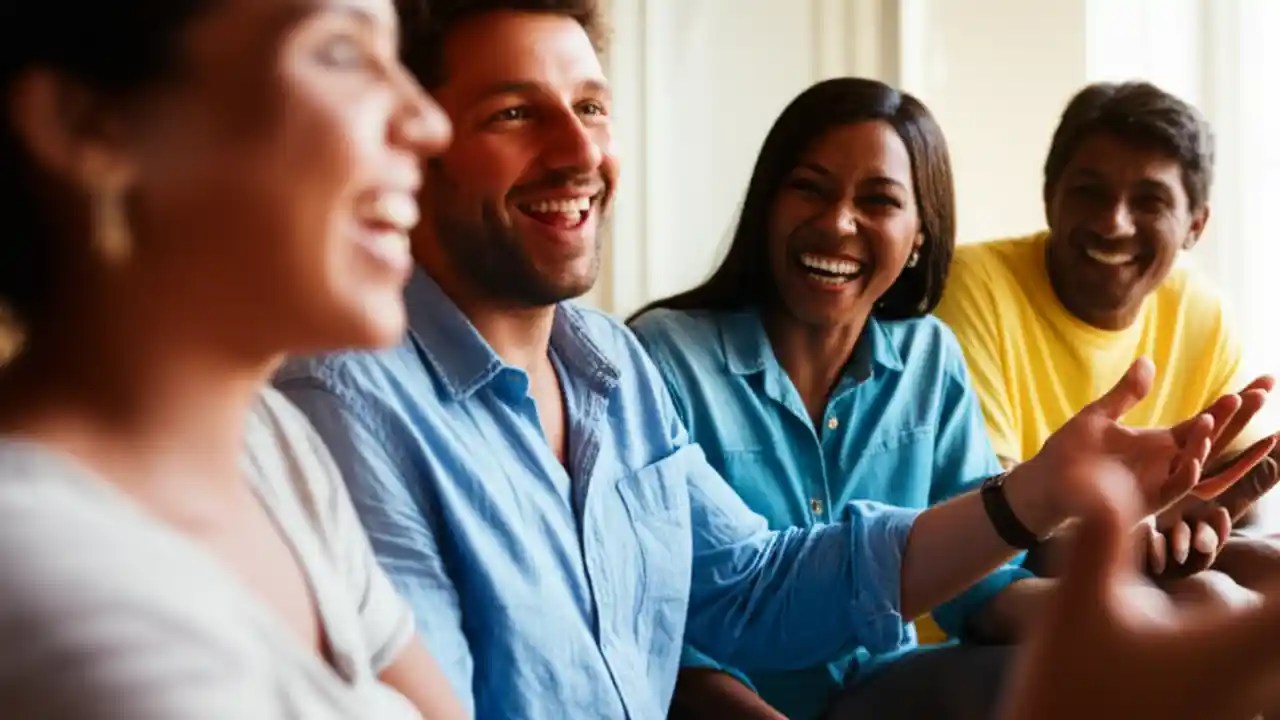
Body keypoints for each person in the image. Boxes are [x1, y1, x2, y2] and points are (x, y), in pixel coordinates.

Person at [276, 4, 1266, 718]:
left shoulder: (605, 364)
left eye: (591, 107)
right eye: (513, 113)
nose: (578, 151)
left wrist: (1034, 494)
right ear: (413, 140)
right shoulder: (347, 405)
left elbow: (753, 584)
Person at [0, 2, 465, 718]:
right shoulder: (49, 585)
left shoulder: (271, 445)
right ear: (87, 124)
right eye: (342, 52)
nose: (429, 123)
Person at [627, 77, 1031, 720]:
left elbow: (979, 585)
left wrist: (1126, 617)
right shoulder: (664, 357)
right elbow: (657, 622)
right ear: (767, 205)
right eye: (809, 189)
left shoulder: (929, 356)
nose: (838, 222)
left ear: (920, 235)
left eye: (879, 200)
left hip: (888, 693)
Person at [934, 81, 1280, 583]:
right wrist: (1129, 531)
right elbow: (991, 524)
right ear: (1050, 196)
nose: (1113, 223)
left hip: (1123, 604)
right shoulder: (974, 286)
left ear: (1195, 225)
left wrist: (1202, 524)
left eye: (1149, 201)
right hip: (989, 611)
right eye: (1089, 192)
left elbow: (1237, 497)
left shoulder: (1201, 312)